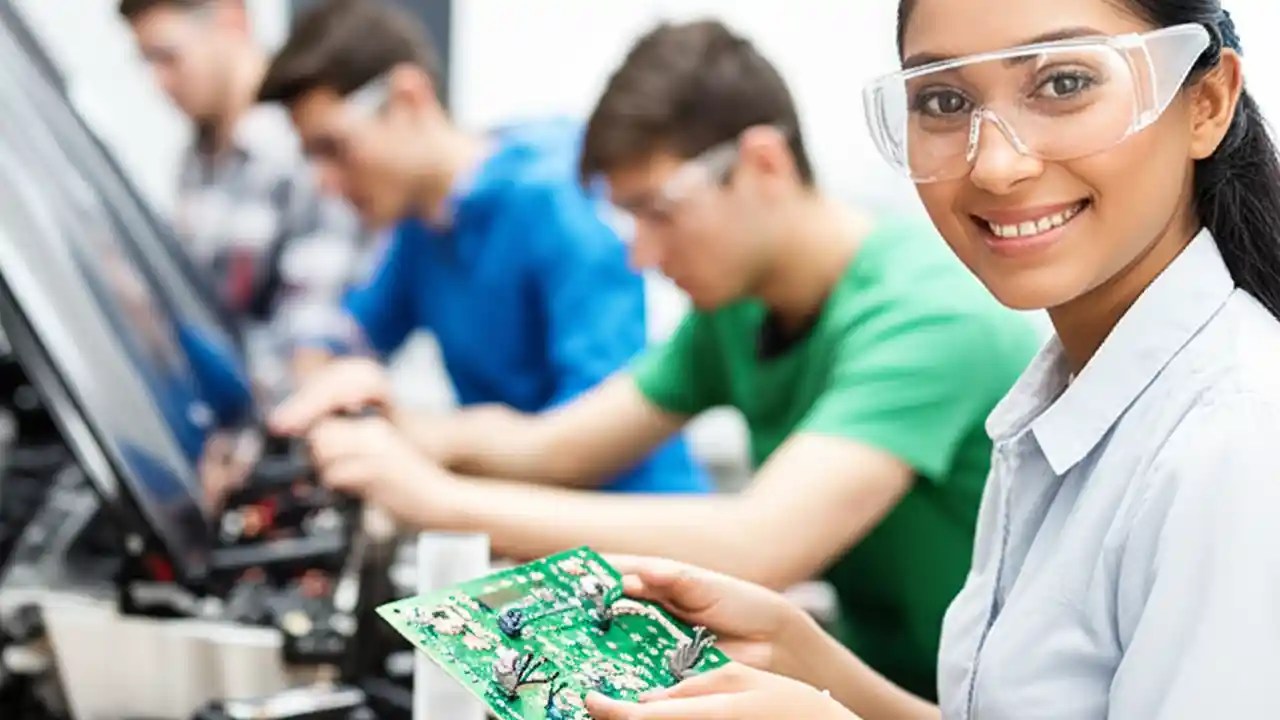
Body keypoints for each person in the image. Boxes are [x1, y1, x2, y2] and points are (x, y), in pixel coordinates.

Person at [272, 19, 1041, 698]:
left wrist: (434, 499)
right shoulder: (734, 310)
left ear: (764, 164)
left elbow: (759, 545)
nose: (639, 252)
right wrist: (398, 432)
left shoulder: (927, 313)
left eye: (658, 212)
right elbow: (558, 447)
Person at [582, 1, 1280, 719]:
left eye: (1065, 83)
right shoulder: (1062, 400)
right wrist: (804, 659)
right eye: (944, 101)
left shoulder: (1232, 444)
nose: (996, 163)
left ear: (1206, 102)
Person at [259, 0, 706, 495]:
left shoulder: (555, 201)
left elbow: (584, 443)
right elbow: (346, 341)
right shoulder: (420, 227)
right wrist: (319, 396)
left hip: (626, 523)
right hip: (524, 512)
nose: (325, 183)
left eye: (335, 148)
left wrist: (421, 441)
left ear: (408, 98)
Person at [120, 0, 362, 388]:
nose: (158, 82)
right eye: (146, 62)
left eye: (167, 56)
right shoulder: (194, 164)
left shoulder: (307, 152)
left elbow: (315, 337)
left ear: (230, 19)